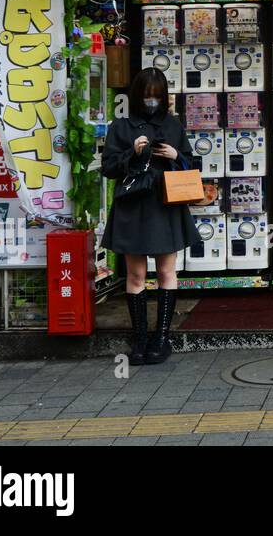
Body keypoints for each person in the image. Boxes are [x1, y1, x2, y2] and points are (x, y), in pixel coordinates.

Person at [101, 68, 199, 365]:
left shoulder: (172, 125)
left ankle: (163, 337)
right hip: (133, 205)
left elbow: (192, 163)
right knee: (136, 275)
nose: (152, 101)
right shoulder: (121, 126)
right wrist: (132, 153)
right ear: (136, 95)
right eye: (147, 96)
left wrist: (175, 157)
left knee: (167, 273)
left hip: (166, 203)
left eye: (157, 96)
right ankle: (141, 340)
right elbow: (108, 167)